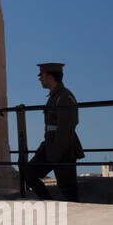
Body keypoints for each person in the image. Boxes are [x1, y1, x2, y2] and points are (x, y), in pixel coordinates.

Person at [23, 62, 84, 200]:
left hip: (63, 147)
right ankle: (49, 203)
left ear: (50, 77)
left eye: (42, 75)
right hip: (51, 145)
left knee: (68, 190)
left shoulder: (64, 97)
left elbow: (66, 127)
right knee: (29, 172)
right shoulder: (55, 96)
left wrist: (56, 153)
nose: (40, 79)